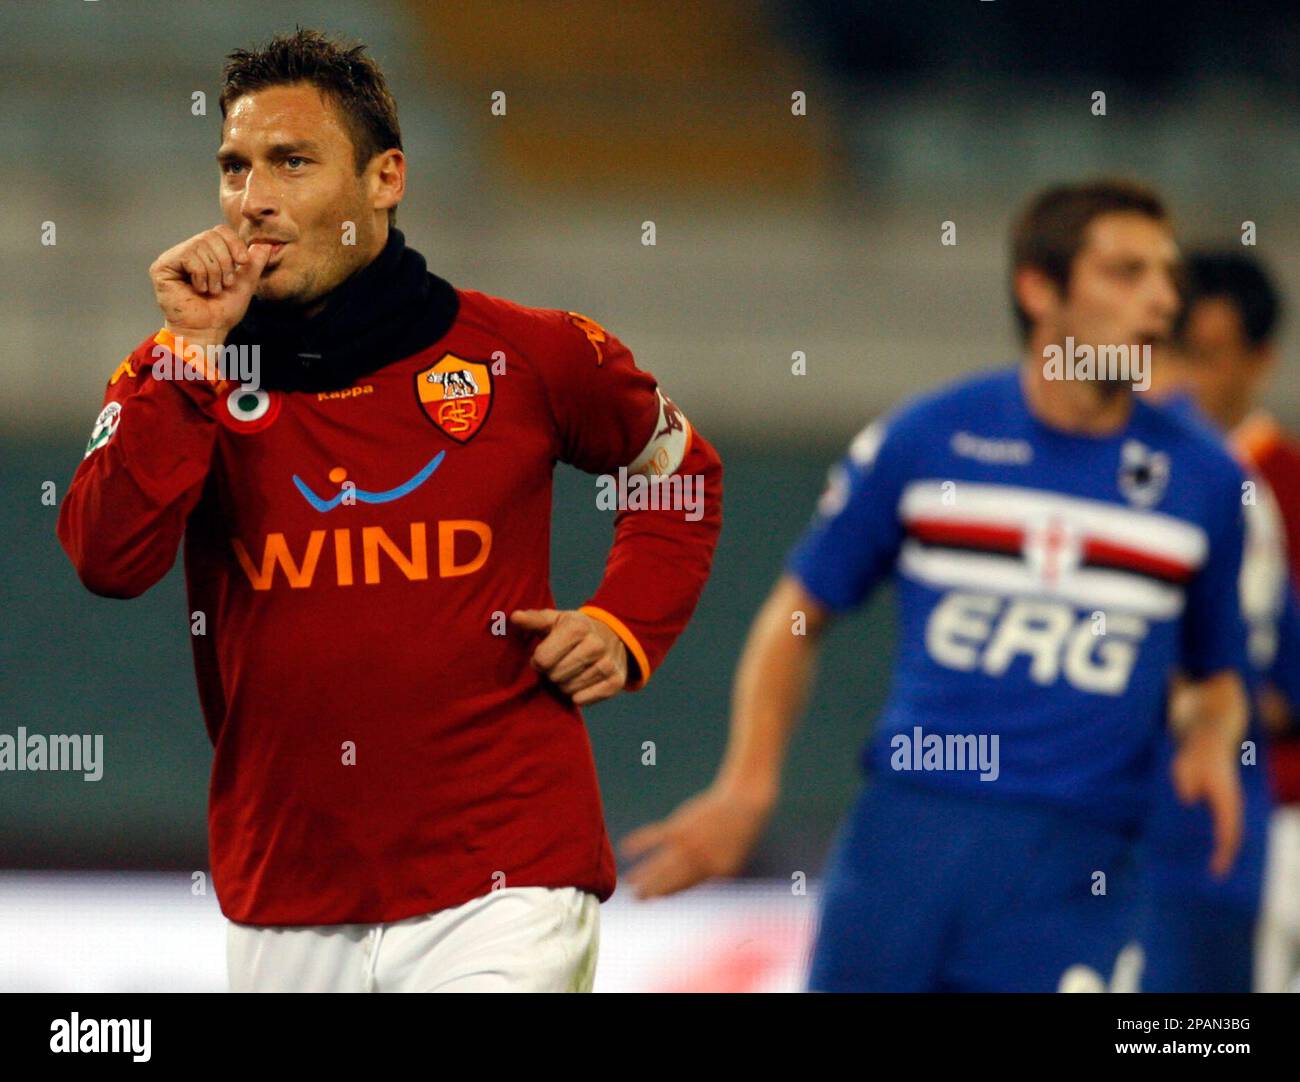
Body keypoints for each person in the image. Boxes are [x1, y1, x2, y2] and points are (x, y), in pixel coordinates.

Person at [56, 29, 722, 993]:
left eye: (292, 162)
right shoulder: (180, 371)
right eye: (235, 168)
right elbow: (107, 560)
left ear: (384, 179)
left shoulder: (527, 355)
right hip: (288, 889)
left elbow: (676, 469)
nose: (255, 200)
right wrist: (190, 352)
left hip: (506, 878)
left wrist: (626, 623)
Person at [622, 179, 1250, 992]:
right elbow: (799, 613)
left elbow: (1218, 679)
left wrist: (1208, 736)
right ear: (1039, 288)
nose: (1164, 300)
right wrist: (747, 790)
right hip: (907, 842)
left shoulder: (1202, 480)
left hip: (1080, 866)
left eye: (1168, 275)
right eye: (1127, 273)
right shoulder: (929, 440)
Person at [1144, 252, 1300, 991]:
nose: (1182, 379)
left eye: (1206, 356)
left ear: (1259, 360)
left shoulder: (1279, 490)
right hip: (1140, 816)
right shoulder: (1131, 472)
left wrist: (1198, 703)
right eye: (1169, 351)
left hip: (1271, 814)